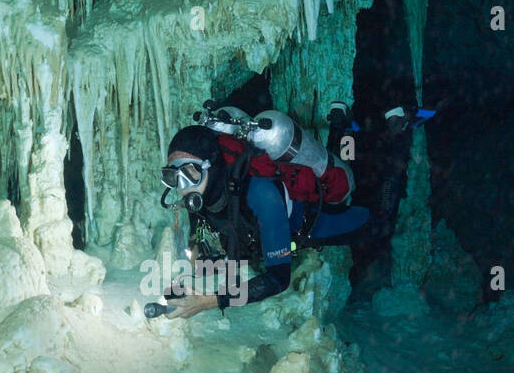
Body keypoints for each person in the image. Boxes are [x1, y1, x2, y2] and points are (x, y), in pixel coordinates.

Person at [156, 120, 373, 319]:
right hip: (259, 236)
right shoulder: (199, 196)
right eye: (173, 177)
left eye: (190, 173)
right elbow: (200, 246)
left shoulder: (262, 194)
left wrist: (208, 302)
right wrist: (191, 272)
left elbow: (278, 278)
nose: (183, 187)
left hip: (314, 221)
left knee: (368, 220)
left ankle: (348, 131)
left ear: (211, 167)